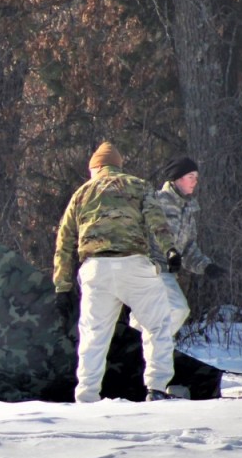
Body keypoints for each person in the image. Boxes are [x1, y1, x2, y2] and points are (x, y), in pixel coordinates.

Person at [52, 142, 183, 403]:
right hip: (134, 265)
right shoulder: (138, 185)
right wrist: (170, 249)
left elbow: (64, 241)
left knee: (94, 334)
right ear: (117, 166)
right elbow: (156, 220)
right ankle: (156, 388)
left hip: (96, 269)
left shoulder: (82, 193)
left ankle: (87, 395)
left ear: (96, 168)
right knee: (158, 326)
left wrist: (62, 287)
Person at [131, 156, 225, 336]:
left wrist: (206, 267)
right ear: (177, 178)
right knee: (177, 308)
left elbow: (188, 249)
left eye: (196, 177)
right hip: (150, 268)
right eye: (190, 176)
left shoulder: (188, 209)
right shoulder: (156, 201)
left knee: (153, 318)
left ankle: (143, 346)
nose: (195, 181)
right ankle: (152, 344)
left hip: (166, 272)